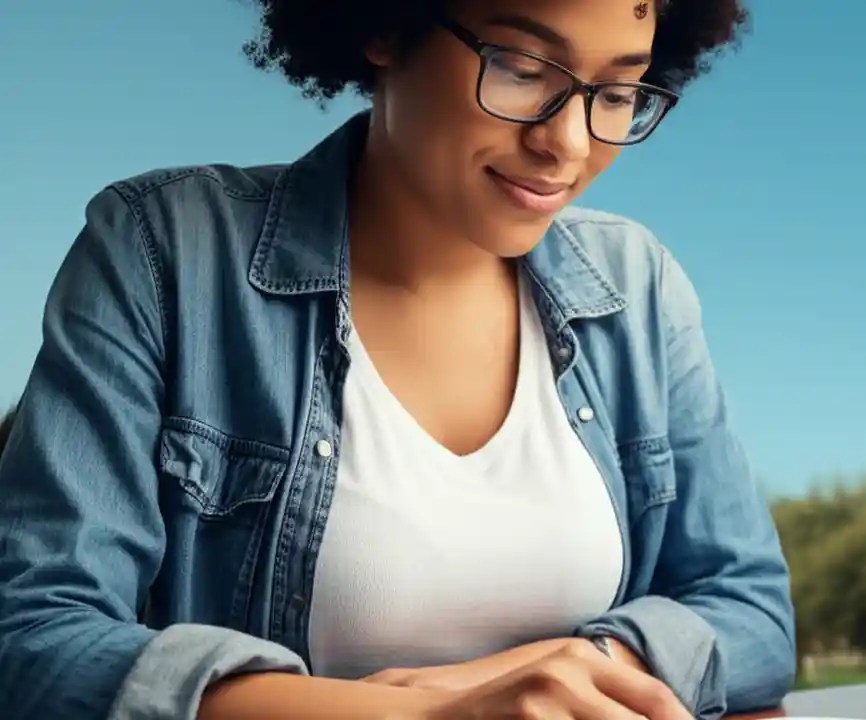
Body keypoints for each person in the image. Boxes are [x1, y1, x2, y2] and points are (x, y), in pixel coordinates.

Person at [0, 0, 796, 718]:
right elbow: (33, 639)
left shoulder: (637, 287)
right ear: (386, 26)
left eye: (617, 94)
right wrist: (429, 717)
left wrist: (569, 668)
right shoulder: (163, 249)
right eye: (521, 70)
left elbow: (751, 610)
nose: (568, 143)